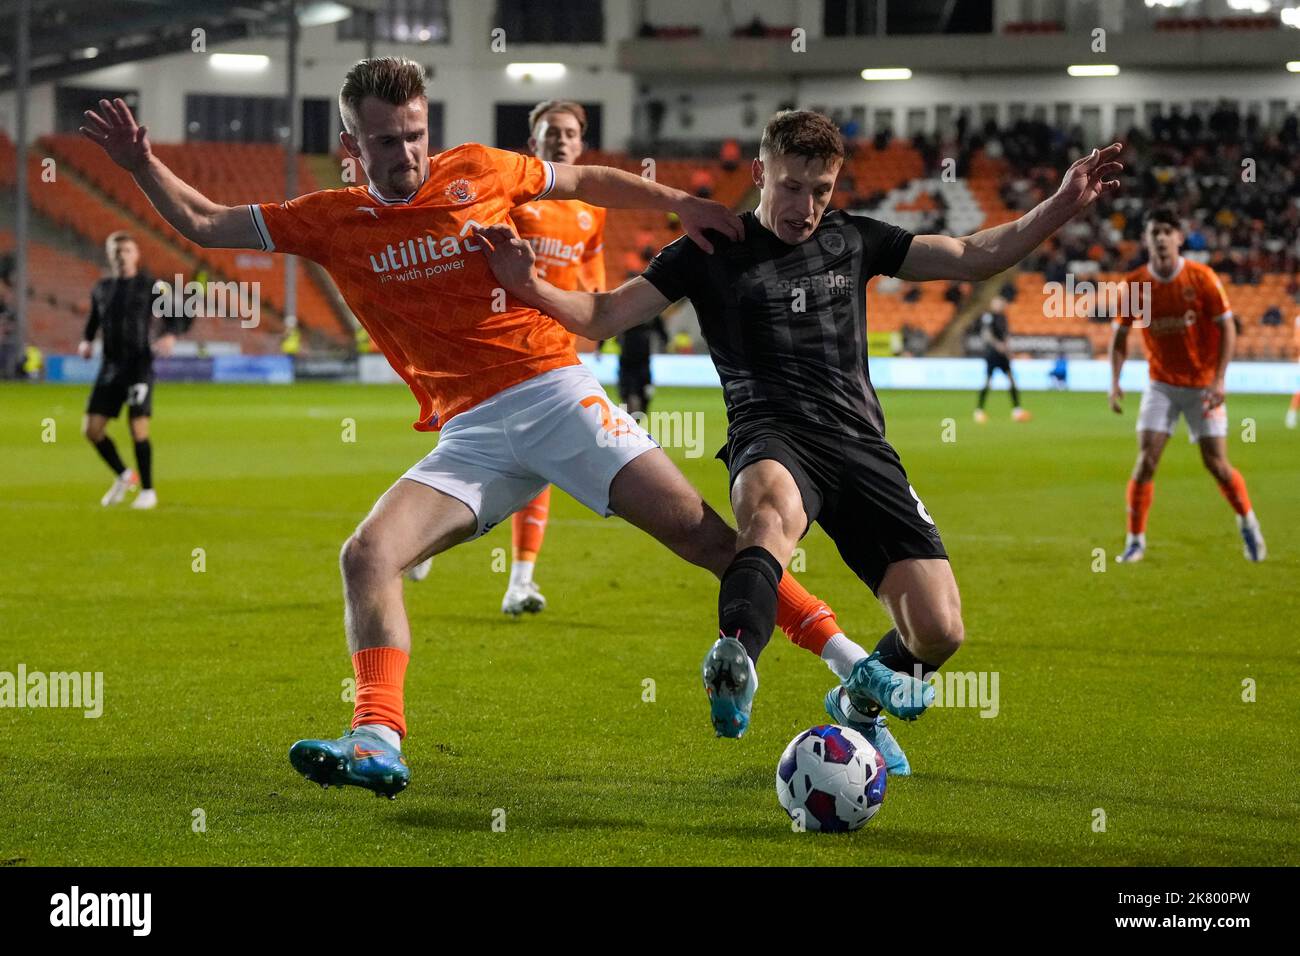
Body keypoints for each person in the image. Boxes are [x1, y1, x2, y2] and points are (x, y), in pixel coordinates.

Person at [80, 61, 858, 798]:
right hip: (472, 434)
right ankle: (377, 739)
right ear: (351, 146)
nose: (407, 152)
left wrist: (678, 206)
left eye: (416, 132)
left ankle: (852, 666)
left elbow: (583, 178)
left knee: (708, 541)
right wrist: (141, 161)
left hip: (552, 390)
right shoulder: (328, 219)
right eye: (386, 139)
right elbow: (208, 221)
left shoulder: (481, 169)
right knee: (367, 556)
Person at [477, 110, 1125, 773]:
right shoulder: (706, 250)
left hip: (862, 447)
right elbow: (606, 314)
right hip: (772, 435)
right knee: (766, 520)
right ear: (760, 174)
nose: (806, 206)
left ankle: (856, 706)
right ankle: (737, 659)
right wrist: (528, 284)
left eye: (821, 190)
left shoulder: (855, 239)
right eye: (792, 186)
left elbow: (974, 255)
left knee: (939, 631)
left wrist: (1063, 203)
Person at [405, 99, 609, 617]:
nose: (561, 141)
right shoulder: (512, 197)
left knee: (535, 467)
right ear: (533, 143)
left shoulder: (592, 211)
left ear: (581, 145)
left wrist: (597, 319)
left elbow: (591, 269)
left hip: (554, 352)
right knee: (492, 457)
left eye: (569, 134)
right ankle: (425, 539)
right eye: (550, 133)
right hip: (500, 353)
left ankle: (517, 581)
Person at [1108, 206, 1265, 563]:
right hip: (1161, 384)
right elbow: (1120, 336)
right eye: (1154, 232)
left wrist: (1218, 378)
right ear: (1146, 240)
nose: (1161, 237)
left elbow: (1227, 327)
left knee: (1217, 464)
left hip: (1202, 386)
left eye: (1167, 231)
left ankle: (1247, 522)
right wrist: (1114, 381)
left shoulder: (1203, 278)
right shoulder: (1134, 285)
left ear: (1180, 237)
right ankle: (1135, 541)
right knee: (1146, 461)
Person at [77, 232, 179, 510]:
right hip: (109, 367)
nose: (122, 255)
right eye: (116, 251)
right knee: (92, 430)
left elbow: (176, 312)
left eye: (127, 250)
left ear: (136, 255)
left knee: (138, 428)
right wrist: (86, 341)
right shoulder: (102, 288)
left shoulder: (150, 285)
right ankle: (124, 475)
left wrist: (170, 333)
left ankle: (148, 491)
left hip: (138, 366)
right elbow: (93, 320)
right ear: (110, 255)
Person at [973, 296, 1030, 422]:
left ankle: (1017, 411)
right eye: (997, 303)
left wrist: (1008, 350)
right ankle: (979, 410)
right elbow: (986, 334)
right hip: (992, 354)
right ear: (992, 305)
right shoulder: (988, 317)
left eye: (1000, 303)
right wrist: (997, 345)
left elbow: (1006, 335)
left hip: (1003, 354)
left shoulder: (1003, 317)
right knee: (988, 381)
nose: (999, 305)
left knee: (1012, 380)